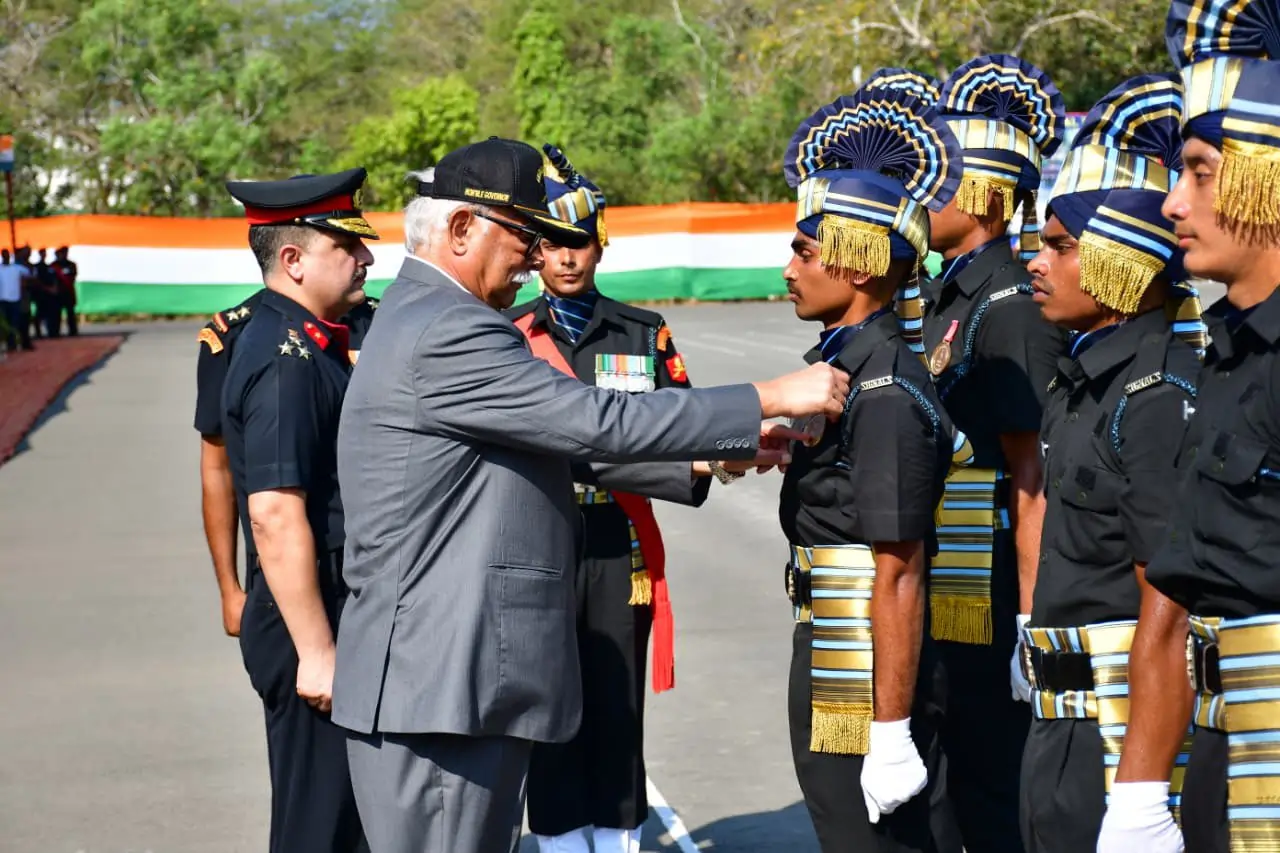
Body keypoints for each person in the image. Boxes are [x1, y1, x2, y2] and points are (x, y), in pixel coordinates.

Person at [331, 136, 848, 853]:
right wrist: (769, 395)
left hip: (443, 679)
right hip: (442, 683)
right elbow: (592, 420)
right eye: (524, 237)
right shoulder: (452, 328)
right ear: (462, 228)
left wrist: (713, 451)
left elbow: (564, 445)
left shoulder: (423, 312)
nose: (535, 258)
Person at [506, 144, 756, 853]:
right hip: (539, 539)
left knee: (617, 705)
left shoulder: (644, 333)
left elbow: (687, 422)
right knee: (549, 701)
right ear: (535, 251)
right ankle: (559, 839)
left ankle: (619, 838)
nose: (567, 258)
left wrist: (733, 448)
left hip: (619, 544)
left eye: (580, 242)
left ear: (601, 244)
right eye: (553, 243)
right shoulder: (507, 336)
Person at [1099, 1, 1280, 850]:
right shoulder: (1229, 353)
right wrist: (1141, 792)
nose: (1173, 203)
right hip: (1220, 748)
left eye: (1201, 171)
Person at [776, 80, 974, 853]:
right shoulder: (853, 368)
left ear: (858, 263)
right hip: (837, 640)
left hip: (864, 666)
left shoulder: (884, 387)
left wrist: (890, 730)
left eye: (804, 249)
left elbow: (898, 568)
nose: (789, 267)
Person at [1015, 73, 1203, 853]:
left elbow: (1171, 604)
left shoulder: (1156, 395)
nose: (1036, 262)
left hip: (1122, 735)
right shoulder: (1081, 375)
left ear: (1122, 256)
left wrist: (1141, 789)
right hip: (1059, 723)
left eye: (1060, 246)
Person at [922, 53, 1070, 853]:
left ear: (982, 195)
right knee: (956, 772)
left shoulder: (1008, 303)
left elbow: (1031, 473)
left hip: (990, 578)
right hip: (954, 565)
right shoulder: (954, 294)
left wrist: (1027, 619)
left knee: (991, 781)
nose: (924, 194)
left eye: (941, 180)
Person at [219, 166, 380, 853]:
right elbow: (275, 514)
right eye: (347, 245)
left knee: (347, 818)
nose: (365, 257)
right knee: (320, 822)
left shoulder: (309, 340)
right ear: (293, 259)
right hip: (309, 613)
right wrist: (317, 652)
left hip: (325, 600)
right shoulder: (287, 358)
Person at [195, 286, 379, 639]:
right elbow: (219, 469)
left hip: (375, 564)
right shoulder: (236, 334)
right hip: (284, 573)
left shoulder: (380, 323)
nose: (364, 261)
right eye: (347, 253)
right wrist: (229, 588)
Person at [50, 247, 78, 336]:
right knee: (56, 313)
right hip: (58, 293)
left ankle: (73, 331)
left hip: (68, 291)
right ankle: (55, 332)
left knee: (70, 313)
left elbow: (73, 276)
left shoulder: (71, 264)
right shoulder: (53, 265)